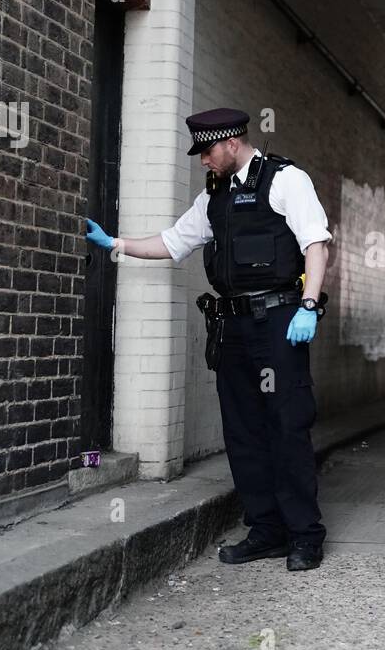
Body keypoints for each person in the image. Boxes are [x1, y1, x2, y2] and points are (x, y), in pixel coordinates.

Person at [84, 107, 332, 571]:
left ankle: (304, 534)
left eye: (207, 151)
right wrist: (117, 243)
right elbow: (174, 241)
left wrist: (310, 305)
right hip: (234, 324)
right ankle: (265, 530)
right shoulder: (214, 196)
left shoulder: (286, 180)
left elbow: (315, 243)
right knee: (242, 430)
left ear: (232, 143)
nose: (202, 161)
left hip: (280, 320)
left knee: (287, 425)